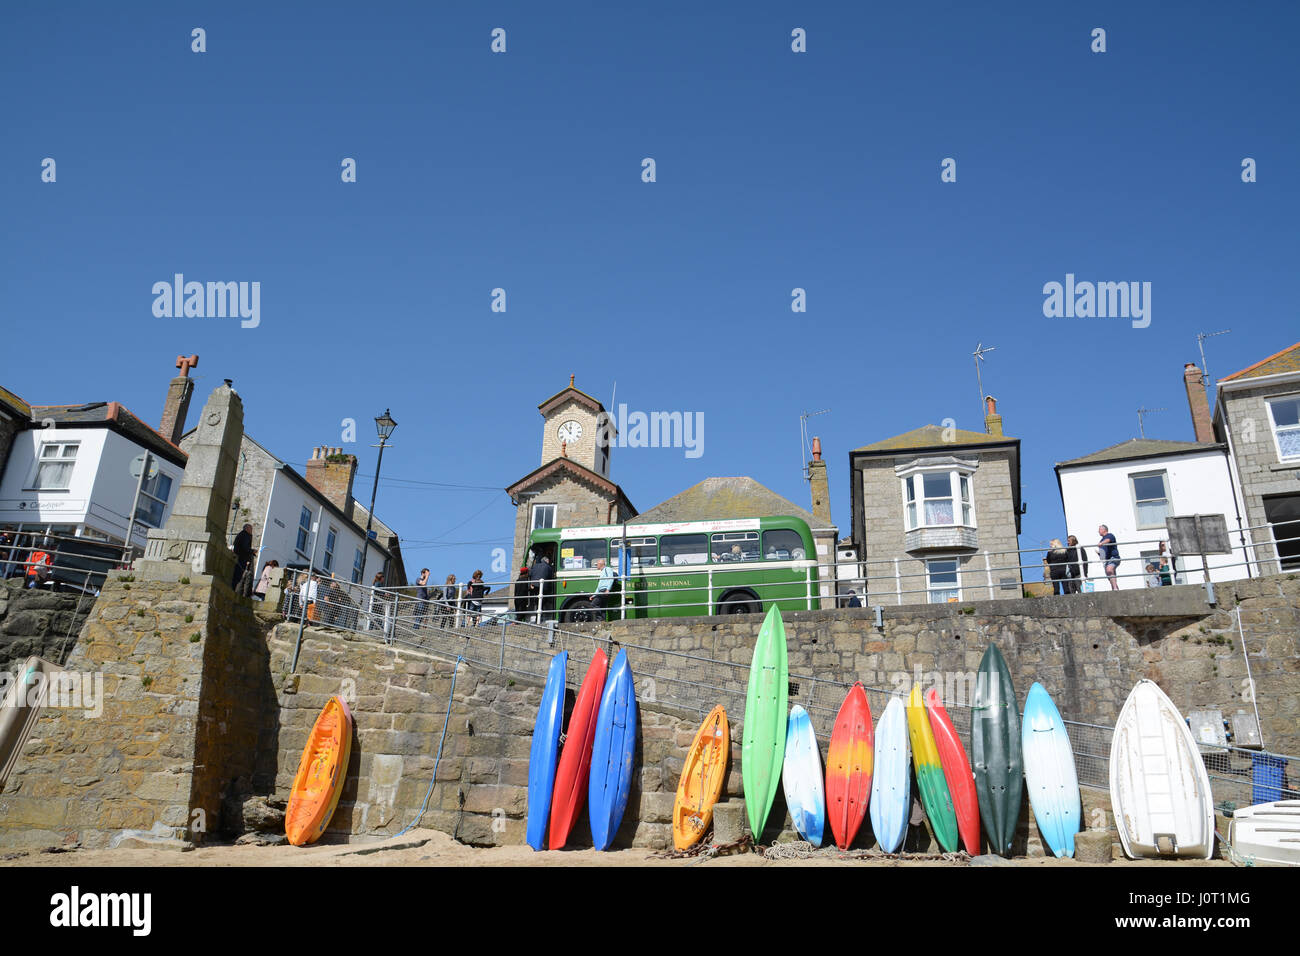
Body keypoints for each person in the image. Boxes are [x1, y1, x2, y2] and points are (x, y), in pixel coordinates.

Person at [530, 553, 554, 621]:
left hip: (535, 586)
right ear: (547, 561)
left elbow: (530, 574)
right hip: (544, 587)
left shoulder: (535, 566)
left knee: (537, 601)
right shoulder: (548, 567)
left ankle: (537, 617)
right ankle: (541, 617)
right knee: (542, 601)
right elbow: (551, 577)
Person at [232, 523, 254, 591]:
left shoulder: (242, 534)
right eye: (251, 529)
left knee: (238, 575)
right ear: (247, 529)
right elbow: (245, 547)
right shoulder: (245, 535)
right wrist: (252, 551)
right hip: (241, 558)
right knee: (238, 575)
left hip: (239, 556)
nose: (252, 530)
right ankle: (233, 589)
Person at [1098, 525, 1120, 590]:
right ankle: (1115, 589)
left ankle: (1115, 588)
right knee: (1110, 575)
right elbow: (1103, 552)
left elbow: (1108, 540)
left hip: (1113, 558)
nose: (1098, 531)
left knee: (1109, 570)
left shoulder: (1110, 535)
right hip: (1106, 560)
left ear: (1104, 530)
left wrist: (1101, 543)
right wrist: (1099, 554)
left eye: (1099, 530)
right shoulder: (1101, 539)